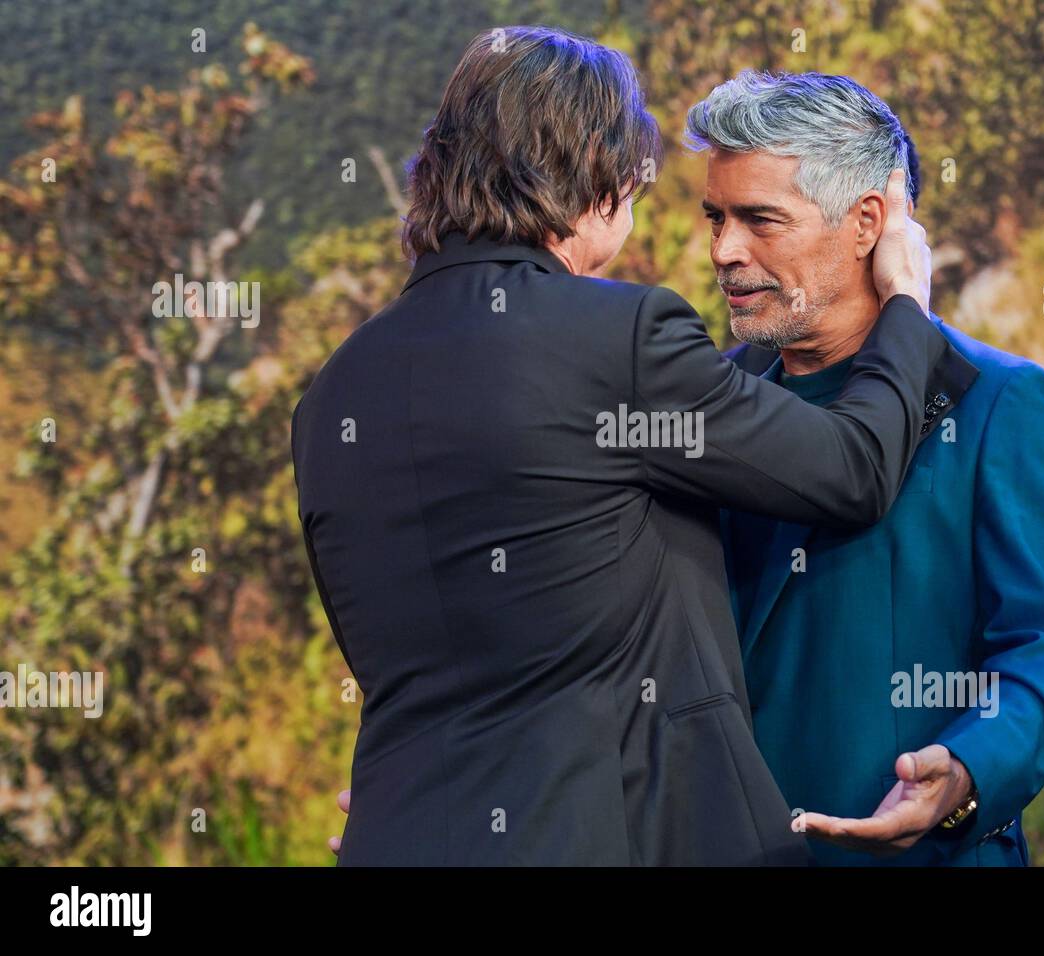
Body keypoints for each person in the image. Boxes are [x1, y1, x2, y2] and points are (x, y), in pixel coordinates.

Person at [293, 27, 973, 865]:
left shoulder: (333, 391)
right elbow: (853, 469)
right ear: (599, 175)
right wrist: (906, 299)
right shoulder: (617, 337)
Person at [690, 71, 1044, 865]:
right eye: (716, 216)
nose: (723, 251)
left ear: (868, 223)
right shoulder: (714, 399)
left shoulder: (1006, 405)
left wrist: (968, 770)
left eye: (760, 220)